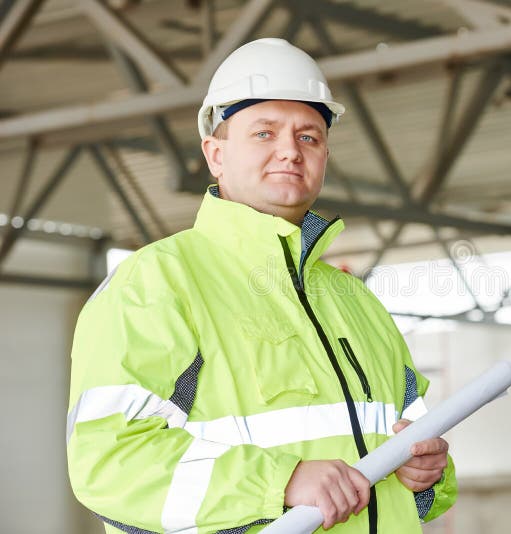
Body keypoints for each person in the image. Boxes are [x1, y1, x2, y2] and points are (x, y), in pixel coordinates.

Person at [66, 38, 457, 534]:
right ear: (216, 155)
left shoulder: (355, 301)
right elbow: (110, 464)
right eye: (264, 133)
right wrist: (281, 480)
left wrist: (428, 472)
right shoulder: (158, 282)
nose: (289, 151)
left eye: (308, 137)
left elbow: (416, 446)